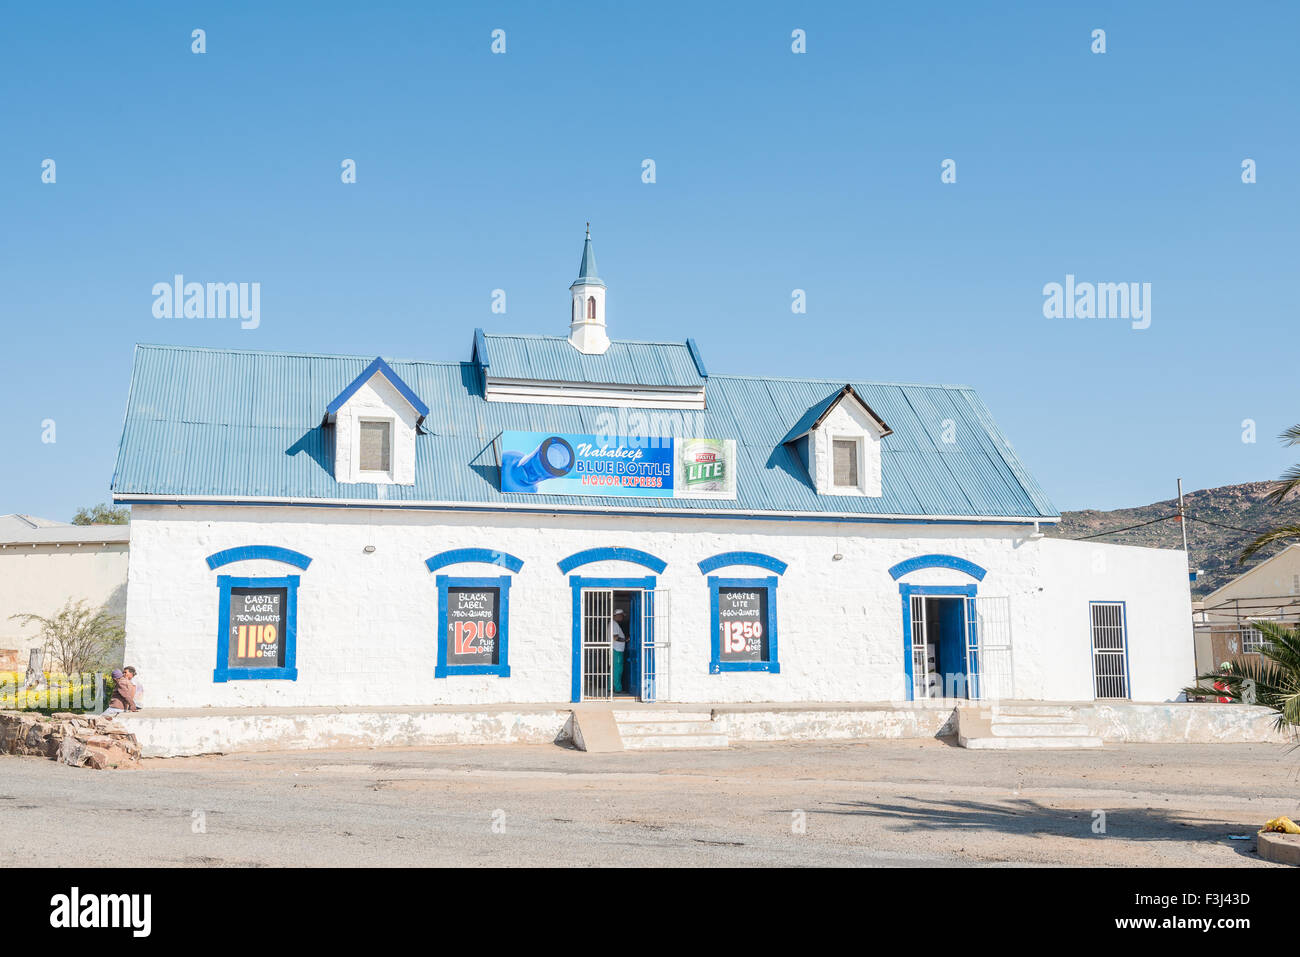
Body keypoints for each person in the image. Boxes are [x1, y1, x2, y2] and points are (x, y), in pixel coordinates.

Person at [610, 608, 627, 694]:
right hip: (617, 649)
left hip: (615, 649)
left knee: (613, 668)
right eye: (621, 616)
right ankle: (617, 688)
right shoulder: (614, 624)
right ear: (617, 616)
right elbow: (615, 637)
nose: (622, 618)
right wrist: (625, 640)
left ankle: (611, 686)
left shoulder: (613, 624)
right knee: (617, 670)